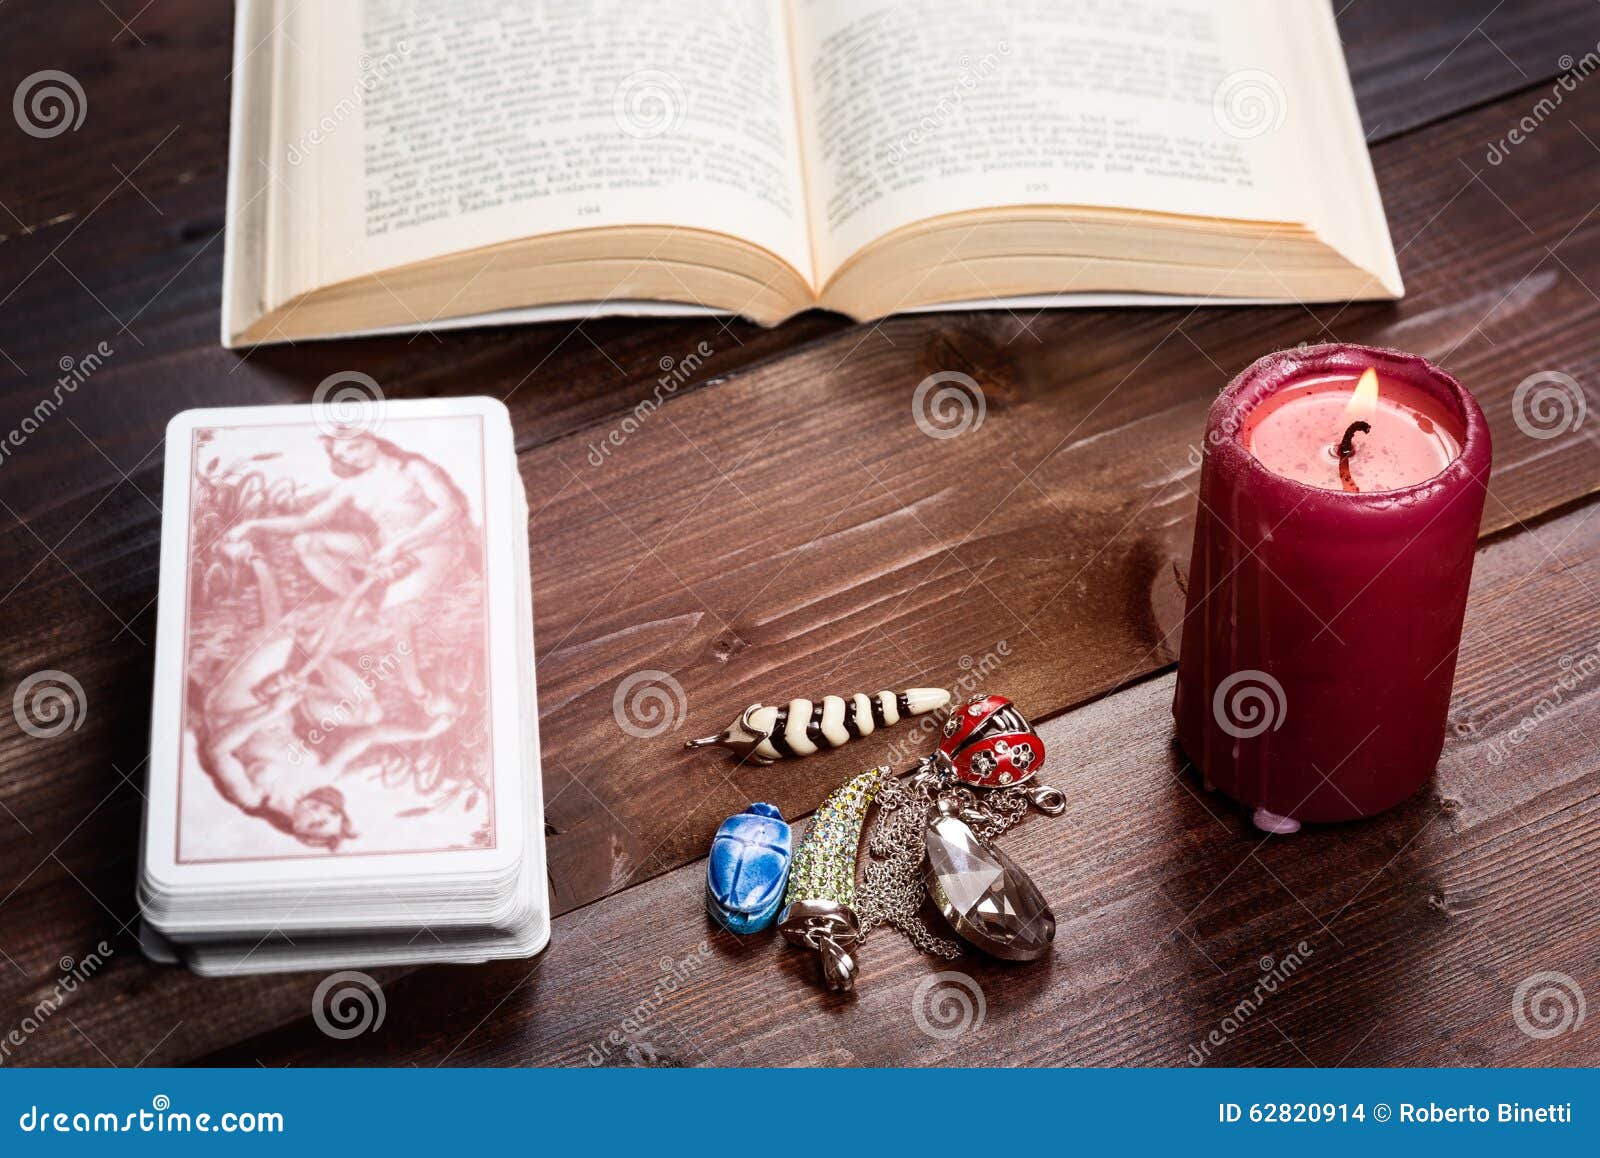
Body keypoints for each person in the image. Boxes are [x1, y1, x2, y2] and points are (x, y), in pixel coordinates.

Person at [194, 554, 456, 851]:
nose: (320, 811)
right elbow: (370, 736)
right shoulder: (319, 778)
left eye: (316, 822)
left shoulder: (254, 796)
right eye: (331, 813)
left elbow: (217, 748)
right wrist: (422, 733)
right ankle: (314, 646)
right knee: (367, 714)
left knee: (282, 636)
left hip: (235, 706)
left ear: (298, 830)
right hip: (283, 700)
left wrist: (269, 711)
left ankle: (257, 560)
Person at [222, 429, 471, 711]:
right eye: (344, 454)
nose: (353, 457)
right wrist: (253, 526)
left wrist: (400, 546)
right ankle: (363, 602)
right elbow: (303, 522)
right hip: (385, 550)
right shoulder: (353, 486)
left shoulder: (412, 469)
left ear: (374, 439)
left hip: (430, 546)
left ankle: (421, 697)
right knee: (307, 542)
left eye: (356, 446)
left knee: (397, 616)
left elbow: (450, 511)